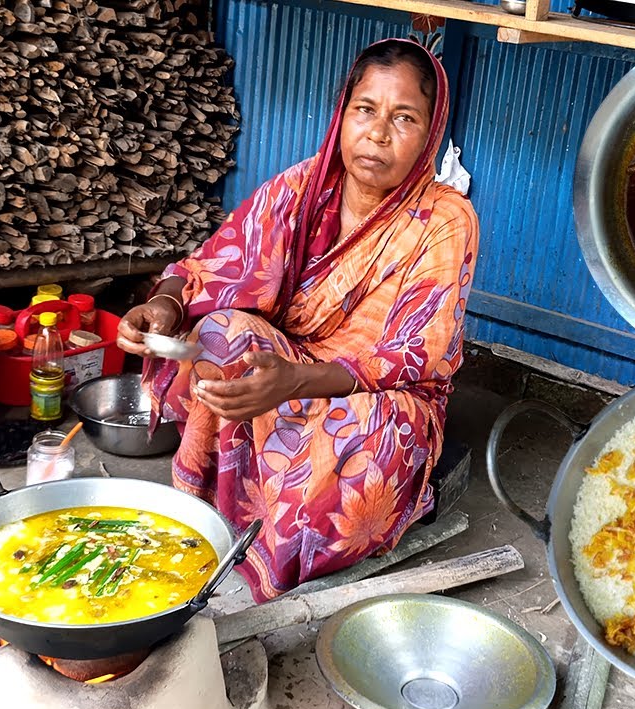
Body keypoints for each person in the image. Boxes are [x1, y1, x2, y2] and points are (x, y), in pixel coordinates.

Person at [116, 38, 479, 602]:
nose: (378, 133)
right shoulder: (304, 187)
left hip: (382, 392)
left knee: (366, 442)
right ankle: (224, 501)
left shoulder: (445, 220)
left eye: (403, 118)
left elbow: (412, 355)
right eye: (366, 109)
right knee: (219, 335)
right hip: (287, 364)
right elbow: (207, 266)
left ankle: (283, 536)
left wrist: (295, 382)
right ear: (343, 111)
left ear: (430, 133)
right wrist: (163, 304)